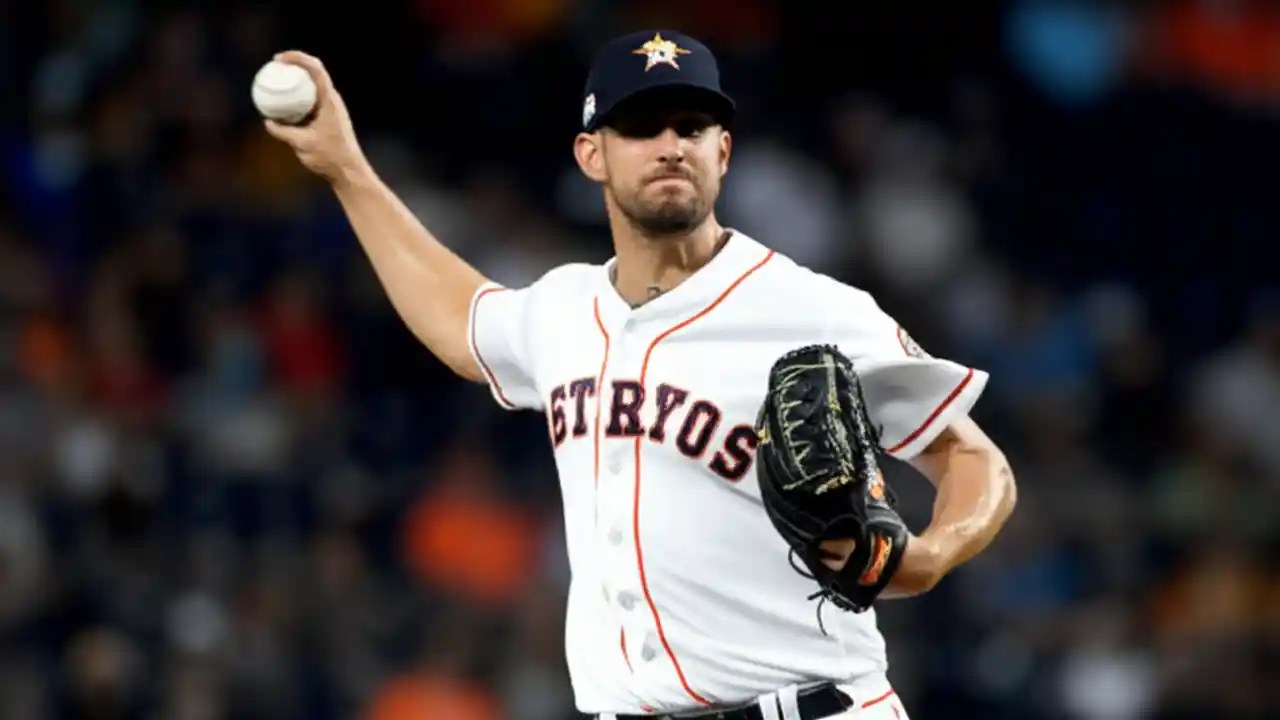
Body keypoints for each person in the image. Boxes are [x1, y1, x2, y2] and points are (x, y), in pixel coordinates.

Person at [263, 29, 1017, 720]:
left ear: (724, 151)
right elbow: (462, 322)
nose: (670, 146)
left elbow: (975, 458)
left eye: (691, 128)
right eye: (641, 127)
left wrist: (934, 551)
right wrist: (345, 168)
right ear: (592, 154)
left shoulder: (813, 308)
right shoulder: (561, 309)